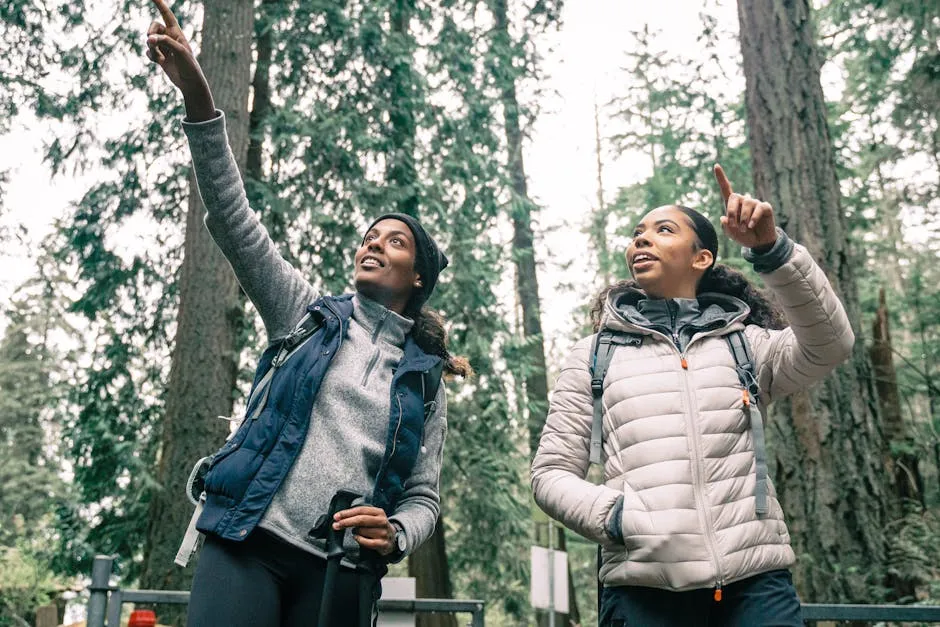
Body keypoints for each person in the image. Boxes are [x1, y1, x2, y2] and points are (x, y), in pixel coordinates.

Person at [145, 1, 470, 625]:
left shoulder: (426, 379)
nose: (373, 242)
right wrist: (198, 95)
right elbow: (233, 220)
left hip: (338, 571)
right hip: (247, 540)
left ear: (419, 276)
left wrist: (396, 532)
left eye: (393, 240)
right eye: (370, 234)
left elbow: (424, 496)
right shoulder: (308, 315)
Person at [531, 165, 855, 626]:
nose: (641, 240)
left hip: (754, 583)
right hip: (643, 589)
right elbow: (550, 474)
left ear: (701, 258)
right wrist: (618, 518)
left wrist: (771, 250)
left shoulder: (746, 344)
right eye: (637, 233)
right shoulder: (593, 355)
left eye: (663, 230)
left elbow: (831, 343)